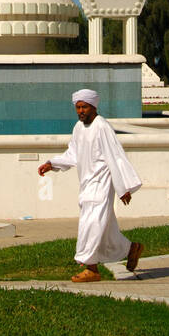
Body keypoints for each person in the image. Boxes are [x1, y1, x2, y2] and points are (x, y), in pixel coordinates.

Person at [37, 88, 144, 283]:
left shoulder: (102, 127)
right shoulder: (78, 128)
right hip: (86, 183)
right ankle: (131, 248)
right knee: (105, 227)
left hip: (101, 184)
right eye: (77, 107)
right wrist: (52, 163)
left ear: (93, 107)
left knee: (91, 223)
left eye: (84, 107)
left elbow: (116, 157)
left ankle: (91, 268)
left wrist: (123, 188)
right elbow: (73, 154)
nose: (80, 111)